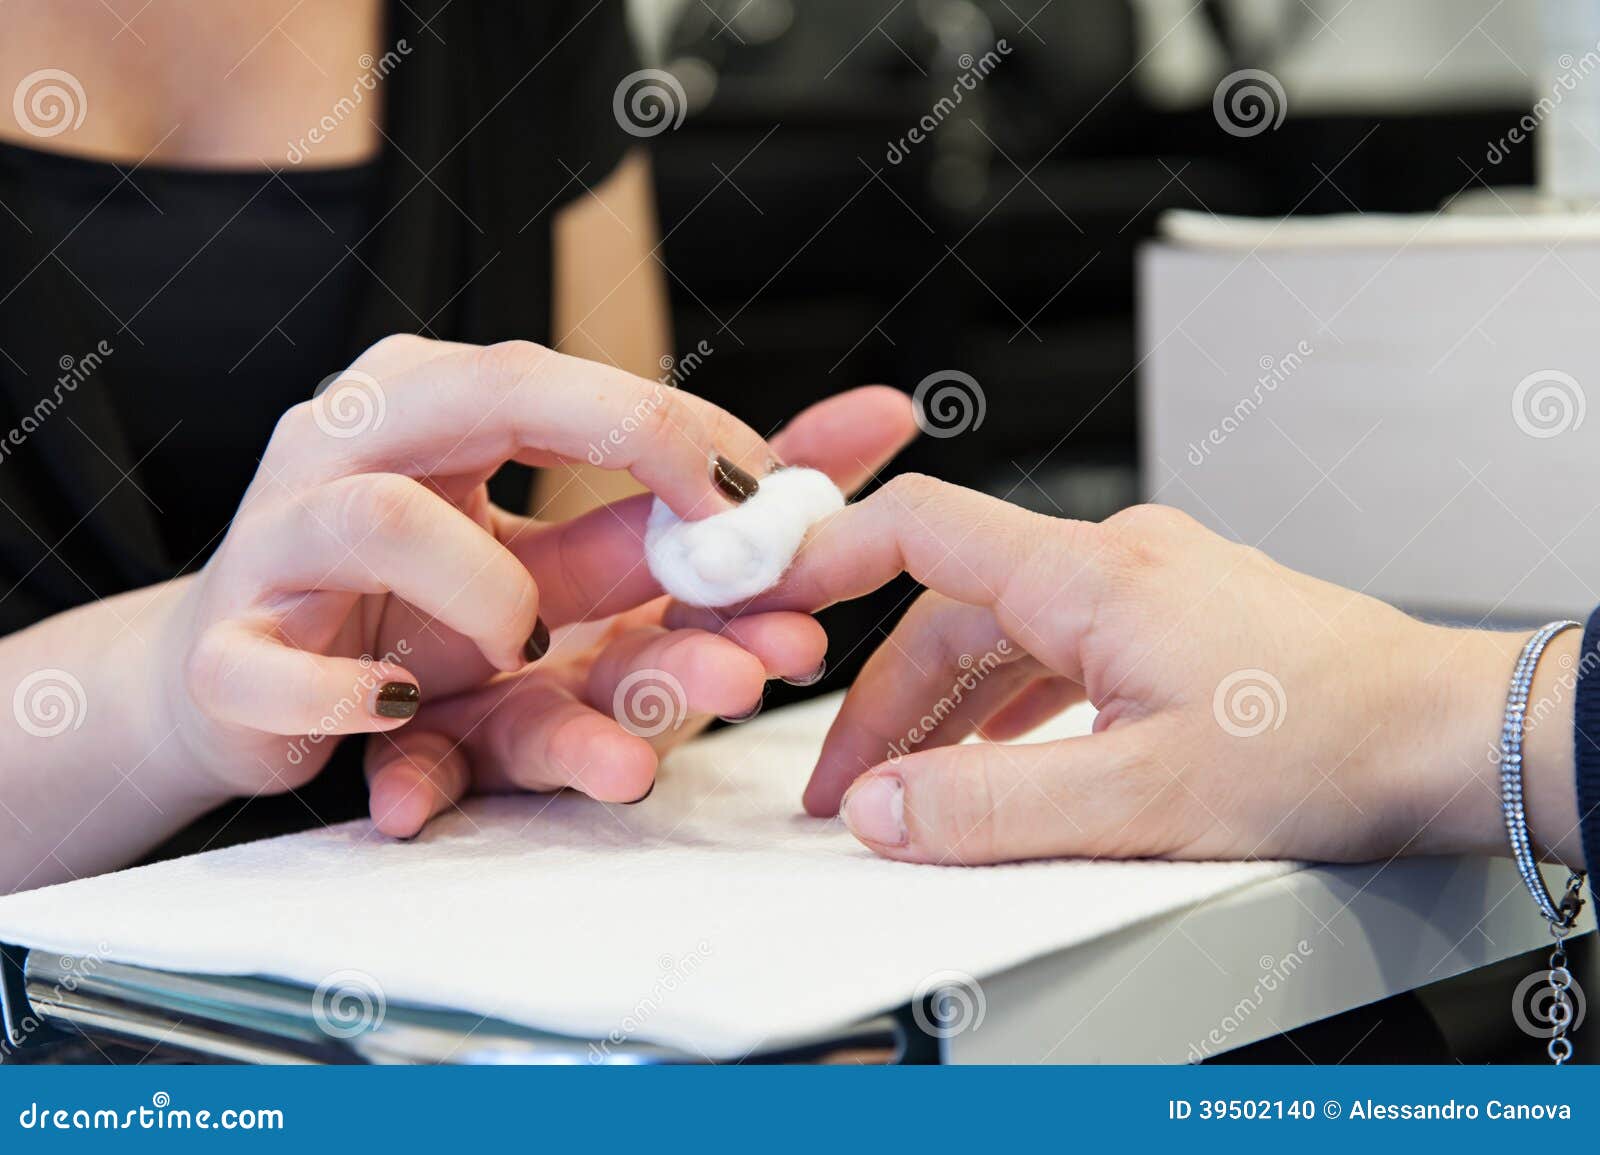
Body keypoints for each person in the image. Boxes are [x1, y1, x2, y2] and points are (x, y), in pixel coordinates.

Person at [0, 1, 921, 891]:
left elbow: (603, 524)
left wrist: (614, 656)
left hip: (417, 909)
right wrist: (167, 695)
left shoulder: (522, 19)